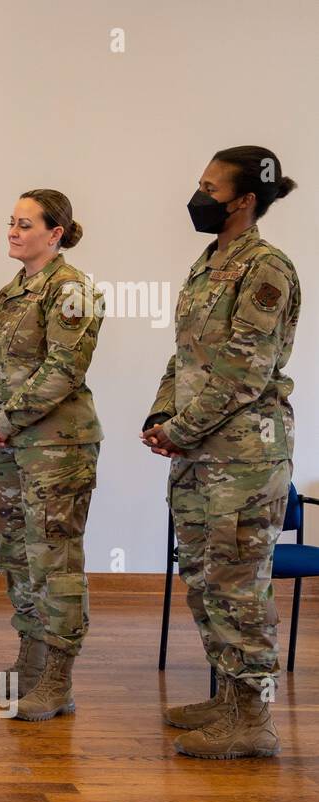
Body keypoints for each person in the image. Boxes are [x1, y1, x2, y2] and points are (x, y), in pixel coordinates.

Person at [143, 145, 300, 759]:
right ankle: (229, 698)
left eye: (210, 187)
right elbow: (185, 358)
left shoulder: (267, 268)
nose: (198, 195)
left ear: (244, 200)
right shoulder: (210, 263)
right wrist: (164, 415)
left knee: (239, 585)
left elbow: (243, 372)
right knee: (205, 579)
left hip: (242, 458)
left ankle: (255, 718)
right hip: (198, 454)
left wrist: (181, 428)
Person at [0, 189, 105, 720]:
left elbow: (63, 371)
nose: (13, 231)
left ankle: (57, 681)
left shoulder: (73, 290)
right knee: (17, 556)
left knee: (55, 561)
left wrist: (6, 420)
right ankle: (29, 661)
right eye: (11, 222)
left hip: (56, 448)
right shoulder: (12, 292)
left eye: (26, 224)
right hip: (10, 446)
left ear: (56, 233)